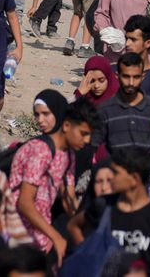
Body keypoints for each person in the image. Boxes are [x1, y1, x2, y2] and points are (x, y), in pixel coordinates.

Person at [7, 99, 97, 260]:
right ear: (67, 126)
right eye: (83, 134)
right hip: (18, 233)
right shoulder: (42, 152)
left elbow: (68, 200)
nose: (87, 141)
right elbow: (25, 203)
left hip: (41, 232)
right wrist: (56, 237)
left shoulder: (68, 154)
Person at [93, 149, 150, 277]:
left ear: (135, 179)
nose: (111, 178)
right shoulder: (104, 206)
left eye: (116, 173)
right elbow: (75, 226)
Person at [98, 52, 150, 157]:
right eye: (126, 76)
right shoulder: (105, 109)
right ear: (117, 76)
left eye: (136, 77)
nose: (131, 82)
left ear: (143, 77)